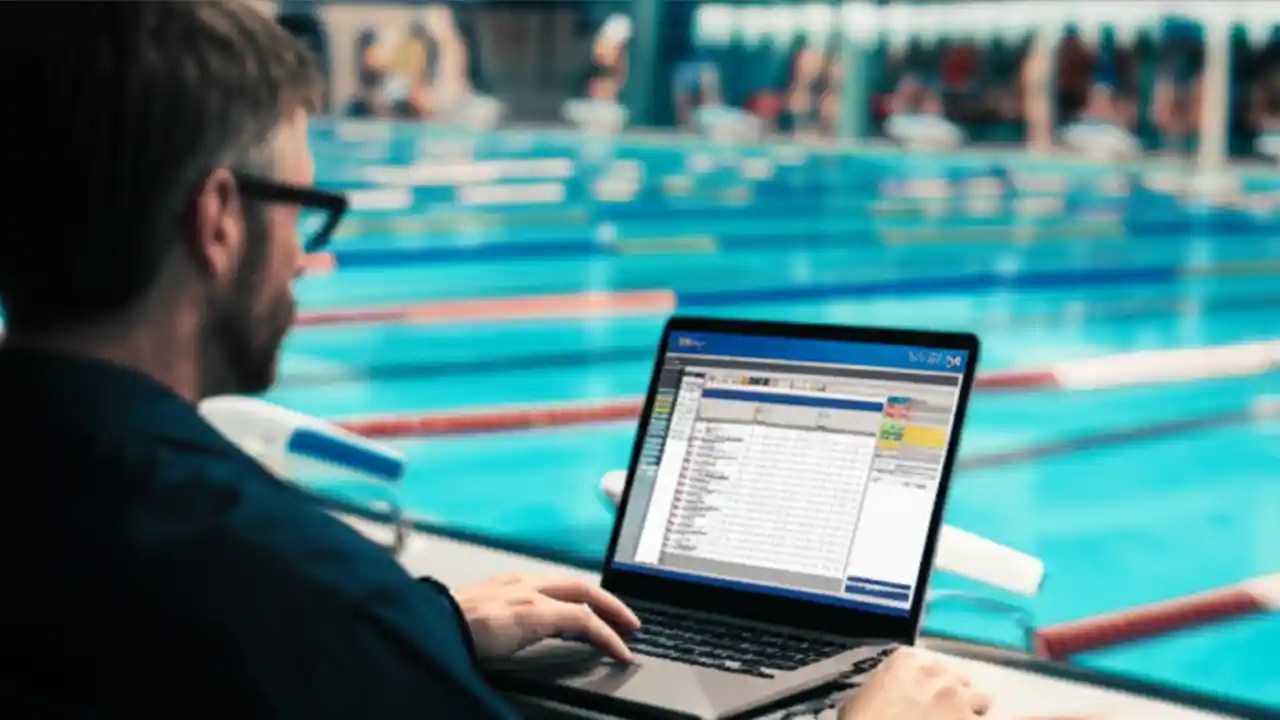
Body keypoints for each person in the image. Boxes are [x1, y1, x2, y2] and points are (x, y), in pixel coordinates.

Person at [0, 4, 991, 718]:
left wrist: (425, 621)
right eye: (304, 210)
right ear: (217, 220)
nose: (315, 253)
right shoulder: (264, 580)